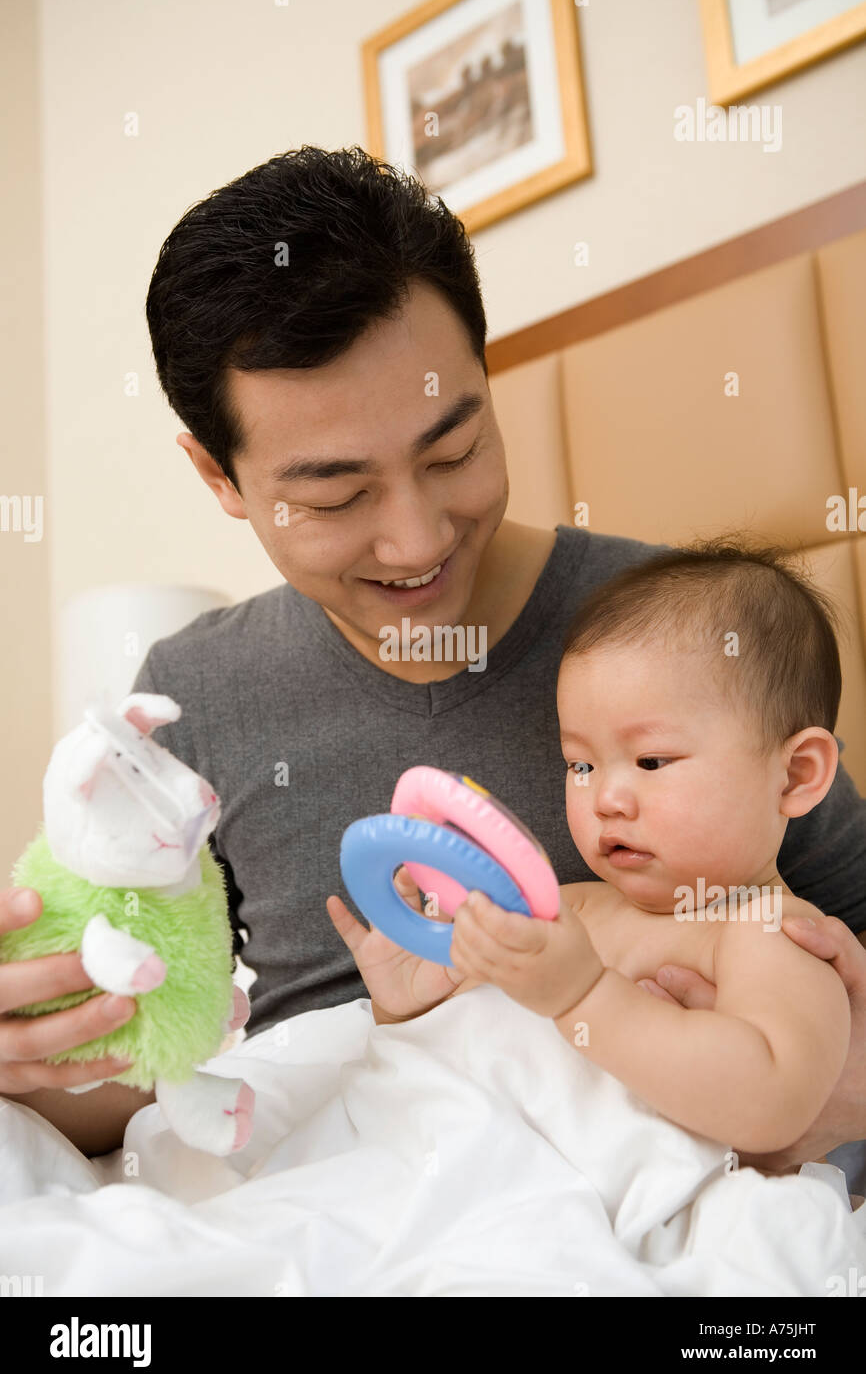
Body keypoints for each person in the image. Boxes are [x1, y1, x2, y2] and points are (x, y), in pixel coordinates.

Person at [2, 148, 864, 1180]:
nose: (416, 540)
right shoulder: (194, 698)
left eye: (453, 453)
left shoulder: (690, 645)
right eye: (333, 496)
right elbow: (156, 1081)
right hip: (342, 1191)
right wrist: (46, 1051)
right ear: (217, 474)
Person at [440, 540, 852, 1172]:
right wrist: (408, 997)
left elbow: (775, 1105)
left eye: (651, 761)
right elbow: (463, 1054)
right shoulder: (573, 907)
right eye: (579, 763)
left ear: (795, 775)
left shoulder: (770, 931)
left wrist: (584, 997)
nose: (605, 798)